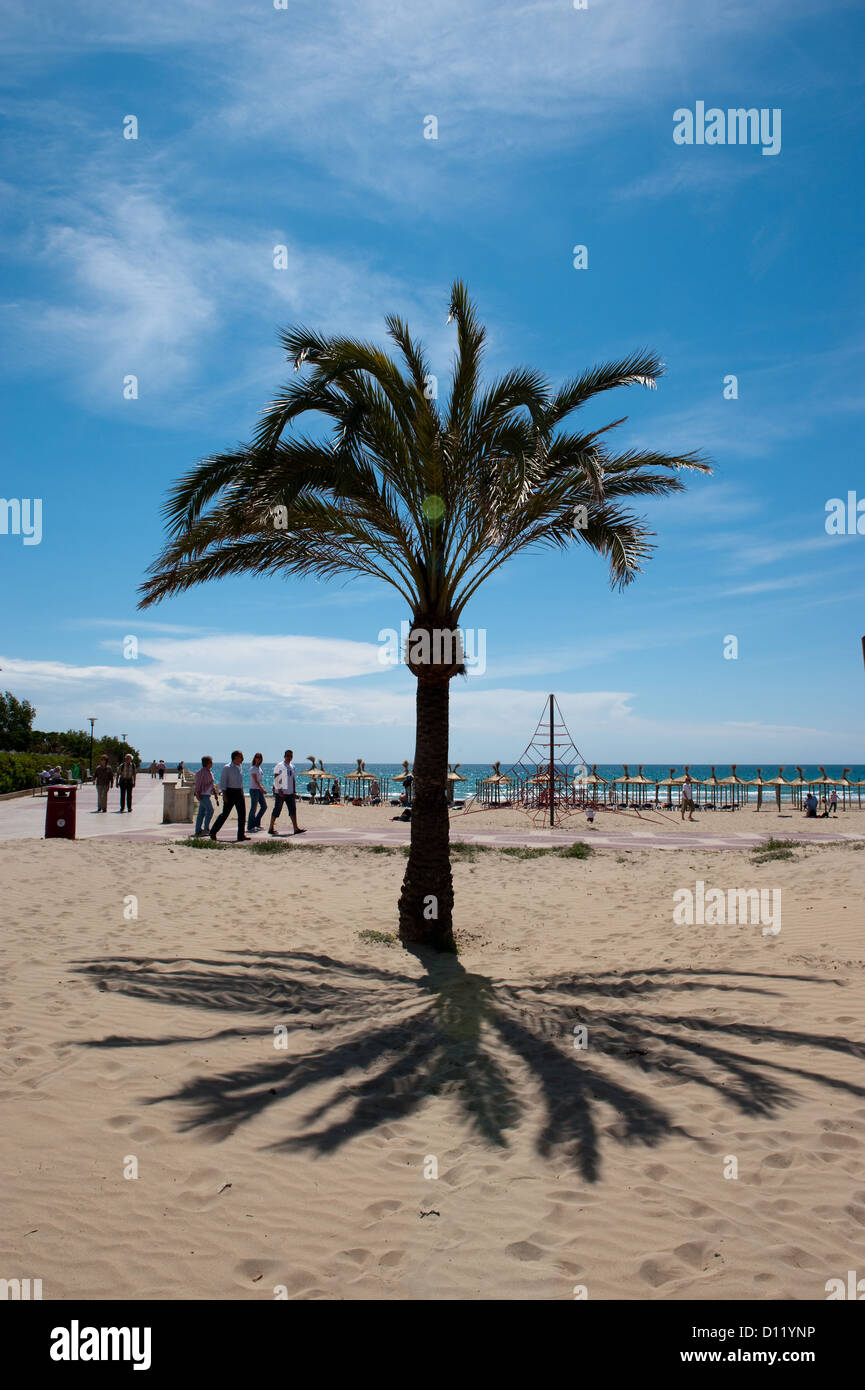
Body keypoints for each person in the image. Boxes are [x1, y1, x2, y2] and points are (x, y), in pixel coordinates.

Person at [210, 751, 249, 842]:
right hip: (230, 792)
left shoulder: (240, 767)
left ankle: (241, 835)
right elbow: (223, 782)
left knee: (242, 815)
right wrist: (224, 795)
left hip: (239, 792)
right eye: (240, 757)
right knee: (225, 814)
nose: (242, 759)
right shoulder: (227, 768)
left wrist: (242, 792)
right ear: (235, 757)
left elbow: (240, 781)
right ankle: (213, 831)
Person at [268, 749, 305, 836]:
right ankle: (270, 828)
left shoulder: (292, 767)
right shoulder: (280, 765)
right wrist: (279, 789)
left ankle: (296, 828)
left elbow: (293, 779)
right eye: (287, 755)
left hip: (290, 792)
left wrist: (294, 791)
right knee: (277, 809)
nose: (289, 757)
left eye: (291, 756)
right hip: (281, 791)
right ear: (284, 756)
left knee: (293, 810)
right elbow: (276, 777)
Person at [194, 756, 220, 836]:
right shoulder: (202, 772)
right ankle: (206, 828)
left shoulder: (209, 772)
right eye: (211, 762)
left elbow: (211, 785)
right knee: (210, 810)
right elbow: (198, 784)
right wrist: (198, 793)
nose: (212, 764)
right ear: (207, 763)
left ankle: (198, 830)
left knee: (201, 813)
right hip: (203, 795)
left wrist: (215, 794)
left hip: (207, 795)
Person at [247, 752, 268, 833]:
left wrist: (262, 788)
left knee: (264, 806)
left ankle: (256, 823)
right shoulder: (253, 768)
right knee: (253, 808)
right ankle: (250, 826)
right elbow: (255, 781)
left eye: (260, 757)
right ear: (254, 758)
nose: (258, 758)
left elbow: (260, 780)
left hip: (259, 790)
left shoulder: (259, 768)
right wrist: (262, 789)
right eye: (257, 757)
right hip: (254, 790)